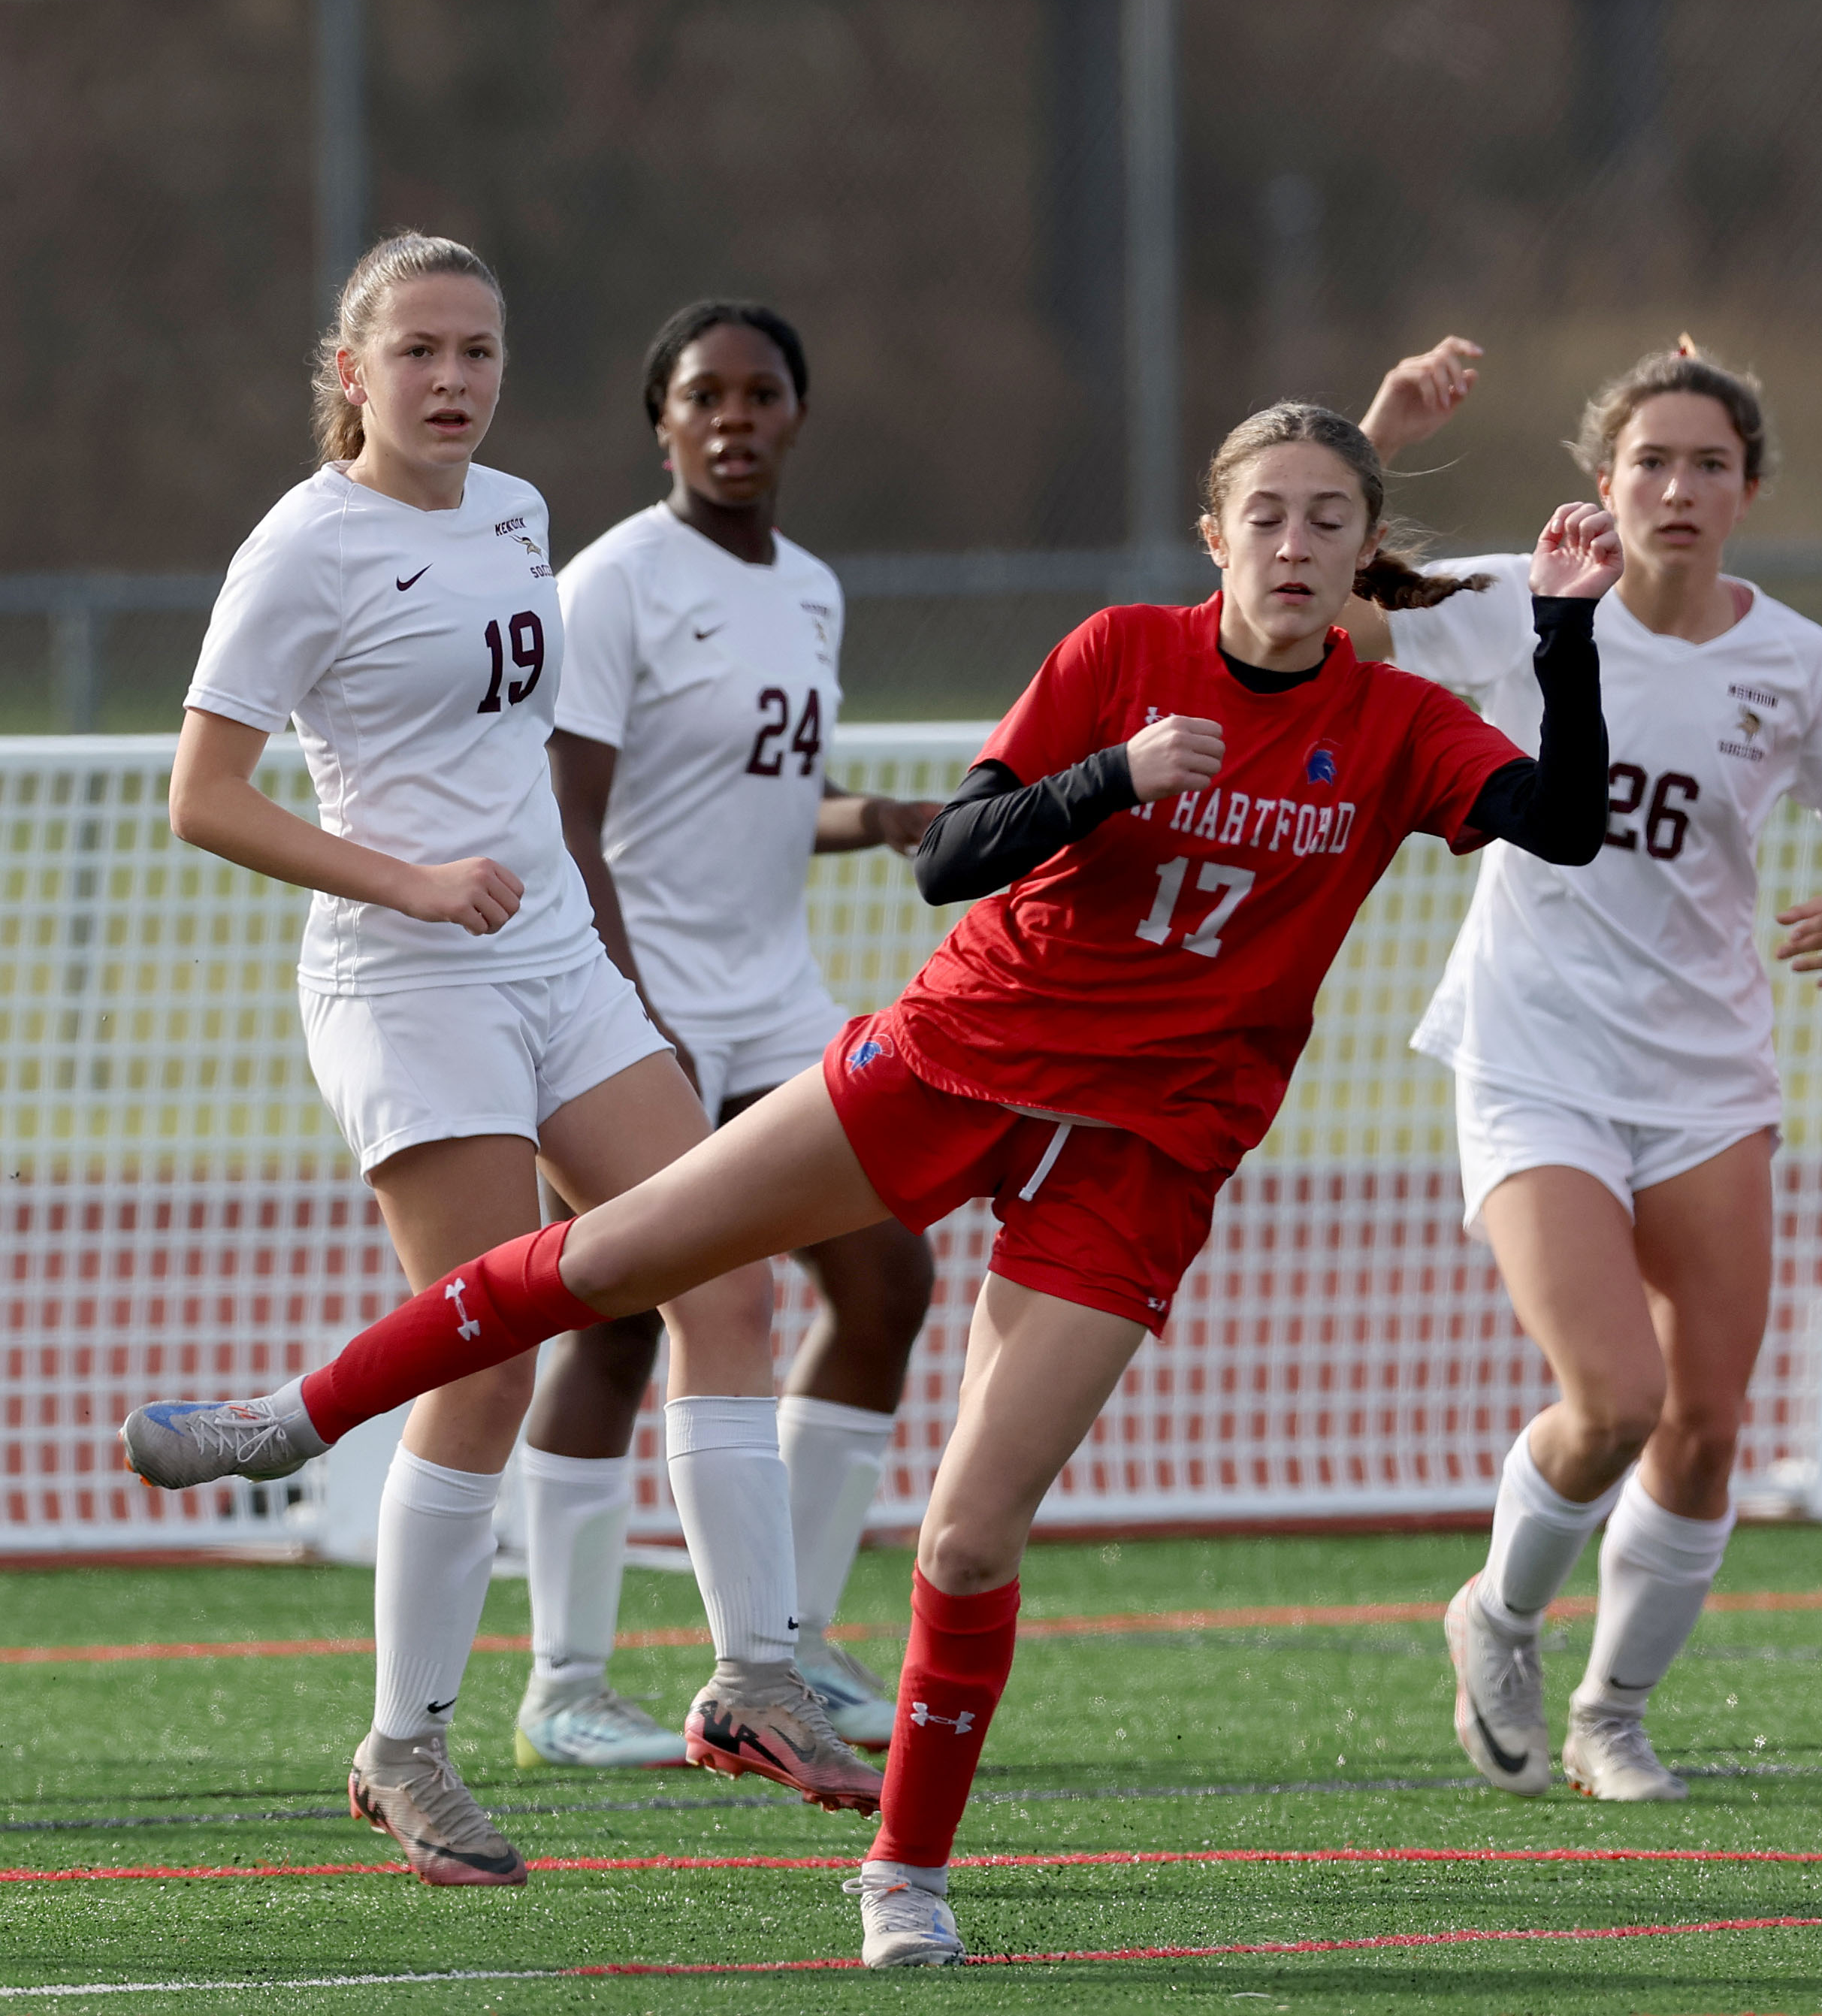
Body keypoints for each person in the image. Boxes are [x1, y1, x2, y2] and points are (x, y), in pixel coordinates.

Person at [125, 399, 1620, 1963]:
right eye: (1268, 515)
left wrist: (1570, 635)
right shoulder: (1120, 653)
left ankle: (902, 1877)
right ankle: (297, 1414)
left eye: (1328, 519)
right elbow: (952, 854)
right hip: (957, 1056)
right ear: (1215, 534)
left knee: (970, 1539)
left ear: (1361, 548)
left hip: (1147, 1146)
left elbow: (1564, 825)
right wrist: (1109, 776)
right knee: (609, 1260)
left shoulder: (1388, 722)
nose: (1296, 545)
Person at [150, 232, 880, 1890]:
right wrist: (405, 876)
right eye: (416, 352)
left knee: (729, 1283)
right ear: (352, 373)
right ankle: (405, 1746)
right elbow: (202, 798)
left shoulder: (518, 510)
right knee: (485, 1358)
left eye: (476, 350)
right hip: (408, 977)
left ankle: (756, 1677)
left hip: (552, 958)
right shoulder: (304, 547)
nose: (453, 379)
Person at [1351, 334, 1822, 1801]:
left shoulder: (1790, 660)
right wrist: (1379, 435)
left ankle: (1610, 1713)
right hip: (1532, 1055)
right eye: (1648, 460)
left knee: (1706, 1424)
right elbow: (1313, 602)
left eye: (1705, 464)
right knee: (1611, 1396)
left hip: (1707, 1077)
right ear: (1603, 480)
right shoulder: (1527, 597)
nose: (1674, 485)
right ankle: (1500, 1614)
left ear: (1747, 490)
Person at [543, 298, 940, 1749]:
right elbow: (570, 818)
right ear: (661, 418)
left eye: (760, 392)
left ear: (795, 414)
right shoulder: (612, 584)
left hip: (776, 1002)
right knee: (614, 1325)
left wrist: (875, 818)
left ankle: (796, 1639)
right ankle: (567, 1689)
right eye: (702, 394)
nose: (732, 417)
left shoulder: (814, 589)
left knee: (886, 1284)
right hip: (635, 1005)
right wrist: (621, 1003)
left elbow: (750, 799)